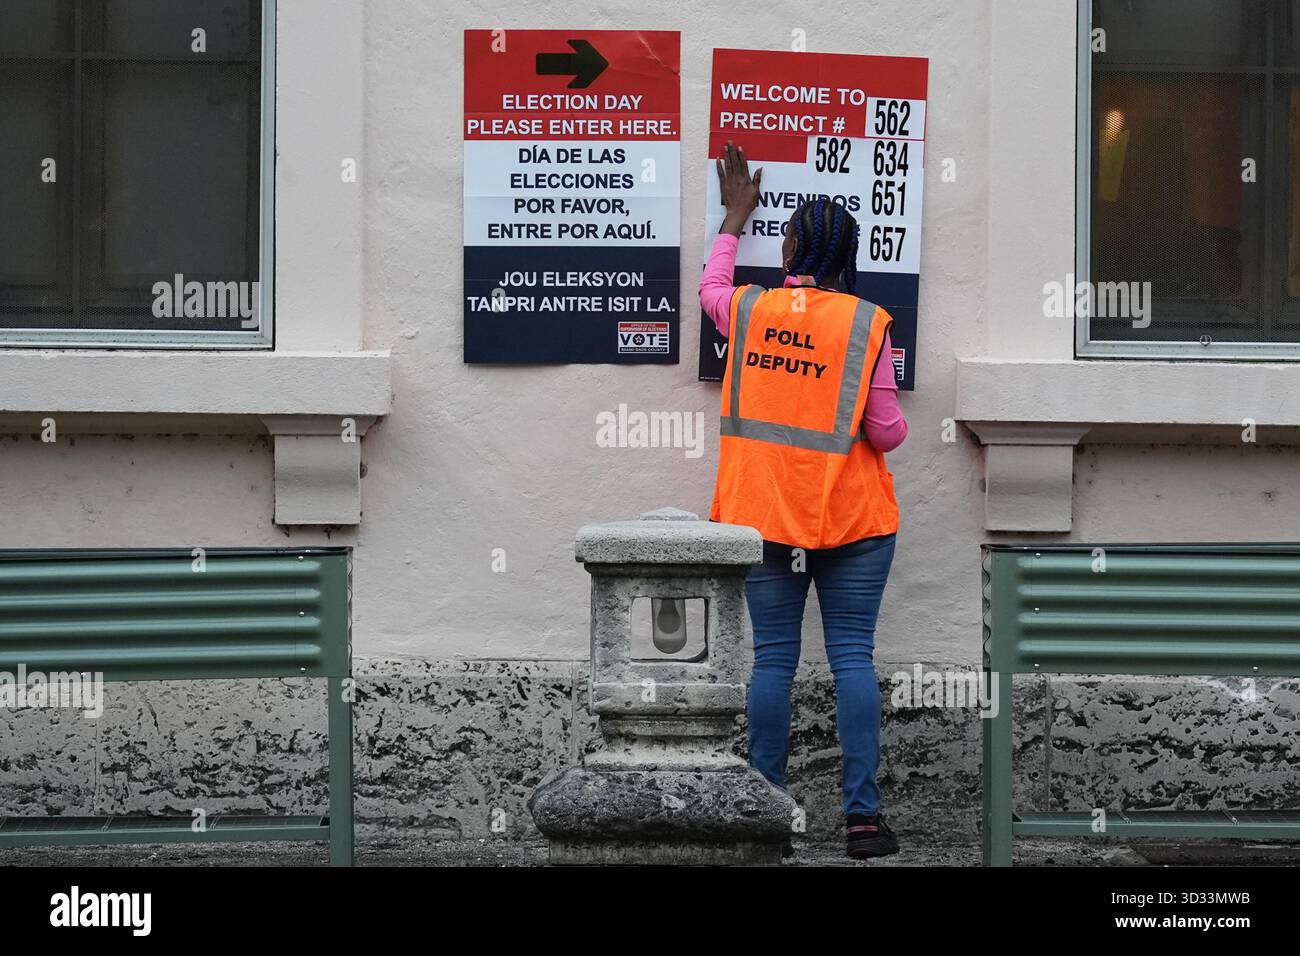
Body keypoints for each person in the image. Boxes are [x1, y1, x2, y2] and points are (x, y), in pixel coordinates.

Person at [701, 141, 908, 860]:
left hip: (764, 522)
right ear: (847, 255)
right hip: (851, 521)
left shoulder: (750, 311)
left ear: (787, 246)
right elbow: (888, 431)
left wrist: (733, 218)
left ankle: (766, 821)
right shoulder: (864, 323)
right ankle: (862, 823)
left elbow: (710, 293)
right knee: (852, 657)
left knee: (773, 664)